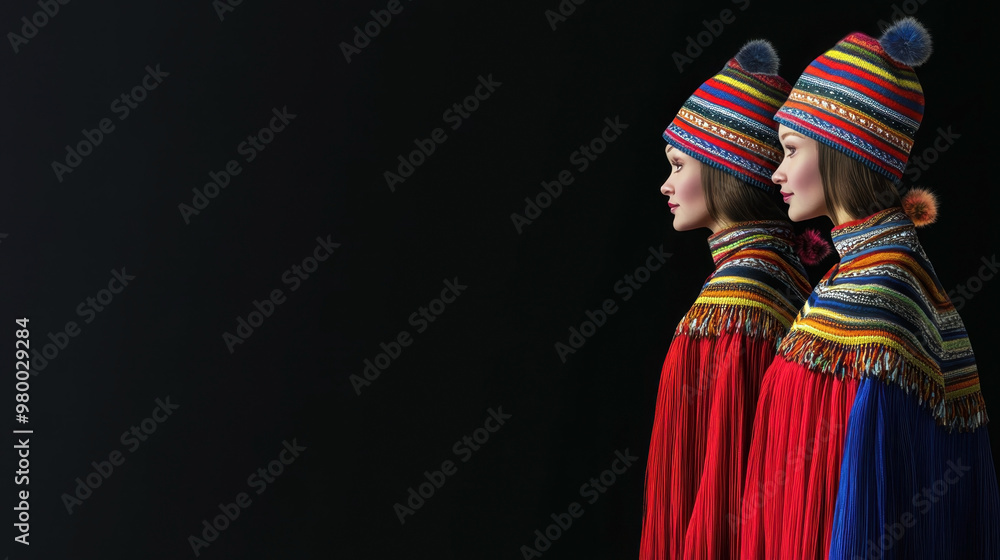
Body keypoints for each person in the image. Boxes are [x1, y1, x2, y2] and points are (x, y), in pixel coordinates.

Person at [738, 17, 1000, 559]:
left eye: (790, 149)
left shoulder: (884, 293)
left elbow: (871, 515)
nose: (776, 173)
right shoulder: (843, 280)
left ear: (839, 151)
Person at [639, 39, 825, 560]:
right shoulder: (785, 279)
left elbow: (721, 494)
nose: (665, 185)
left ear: (726, 168)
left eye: (678, 165)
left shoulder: (734, 305)